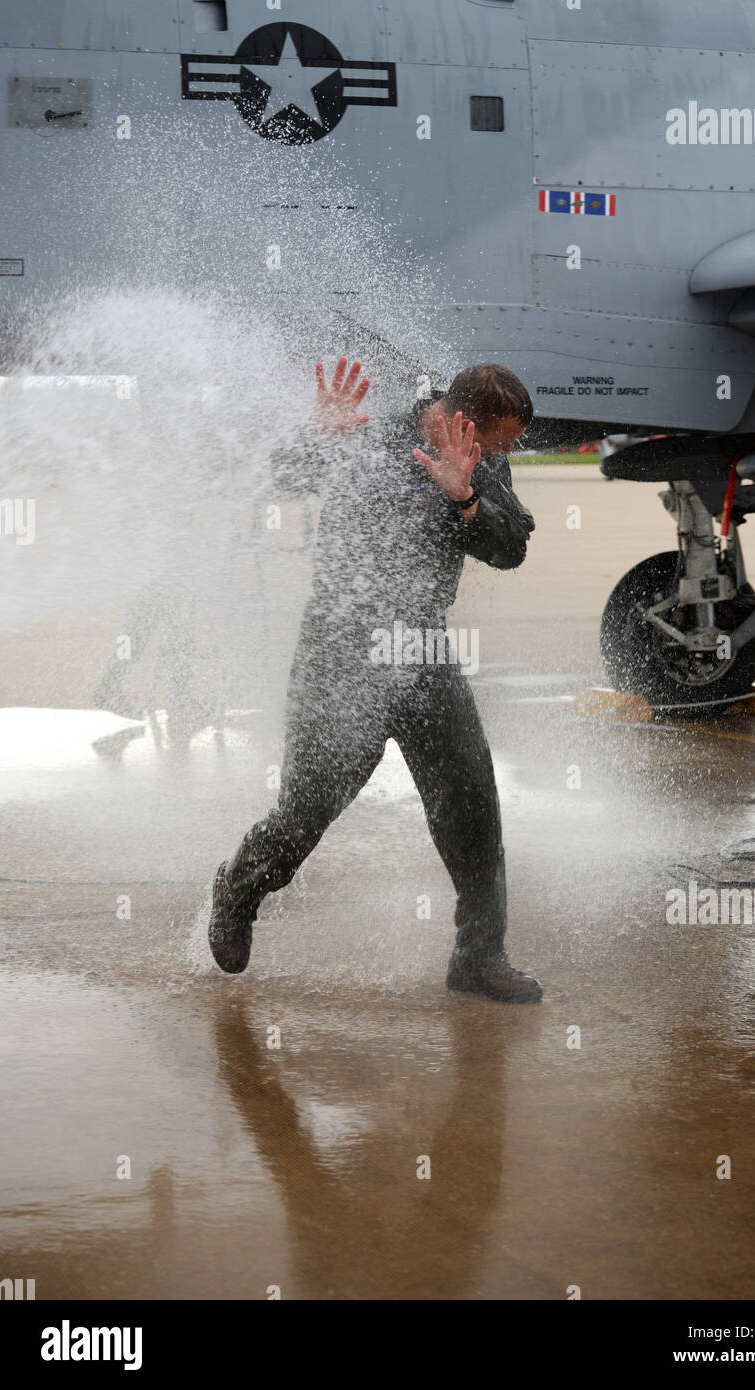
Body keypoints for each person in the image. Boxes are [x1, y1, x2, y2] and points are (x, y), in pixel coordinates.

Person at [208, 357, 543, 1003]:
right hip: (340, 650)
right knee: (306, 811)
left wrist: (465, 497)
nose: (507, 452)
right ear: (465, 418)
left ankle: (478, 956)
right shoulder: (365, 434)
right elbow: (278, 479)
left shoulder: (480, 461)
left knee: (471, 802)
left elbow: (511, 547)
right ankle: (240, 884)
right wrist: (318, 436)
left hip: (421, 646)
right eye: (502, 439)